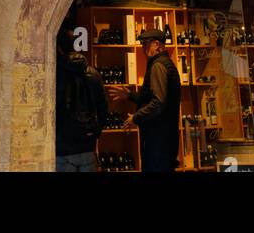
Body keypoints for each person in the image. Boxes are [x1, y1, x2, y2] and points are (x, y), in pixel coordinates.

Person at [108, 26, 181, 172]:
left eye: (146, 43)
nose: (143, 48)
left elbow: (158, 103)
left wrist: (136, 117)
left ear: (157, 44)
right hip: (166, 138)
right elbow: (151, 98)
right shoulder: (165, 63)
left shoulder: (158, 65)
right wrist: (129, 95)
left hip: (158, 140)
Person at [55, 22, 109, 172]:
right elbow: (103, 108)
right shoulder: (93, 73)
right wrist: (95, 132)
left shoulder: (55, 74)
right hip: (87, 144)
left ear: (59, 47)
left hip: (62, 148)